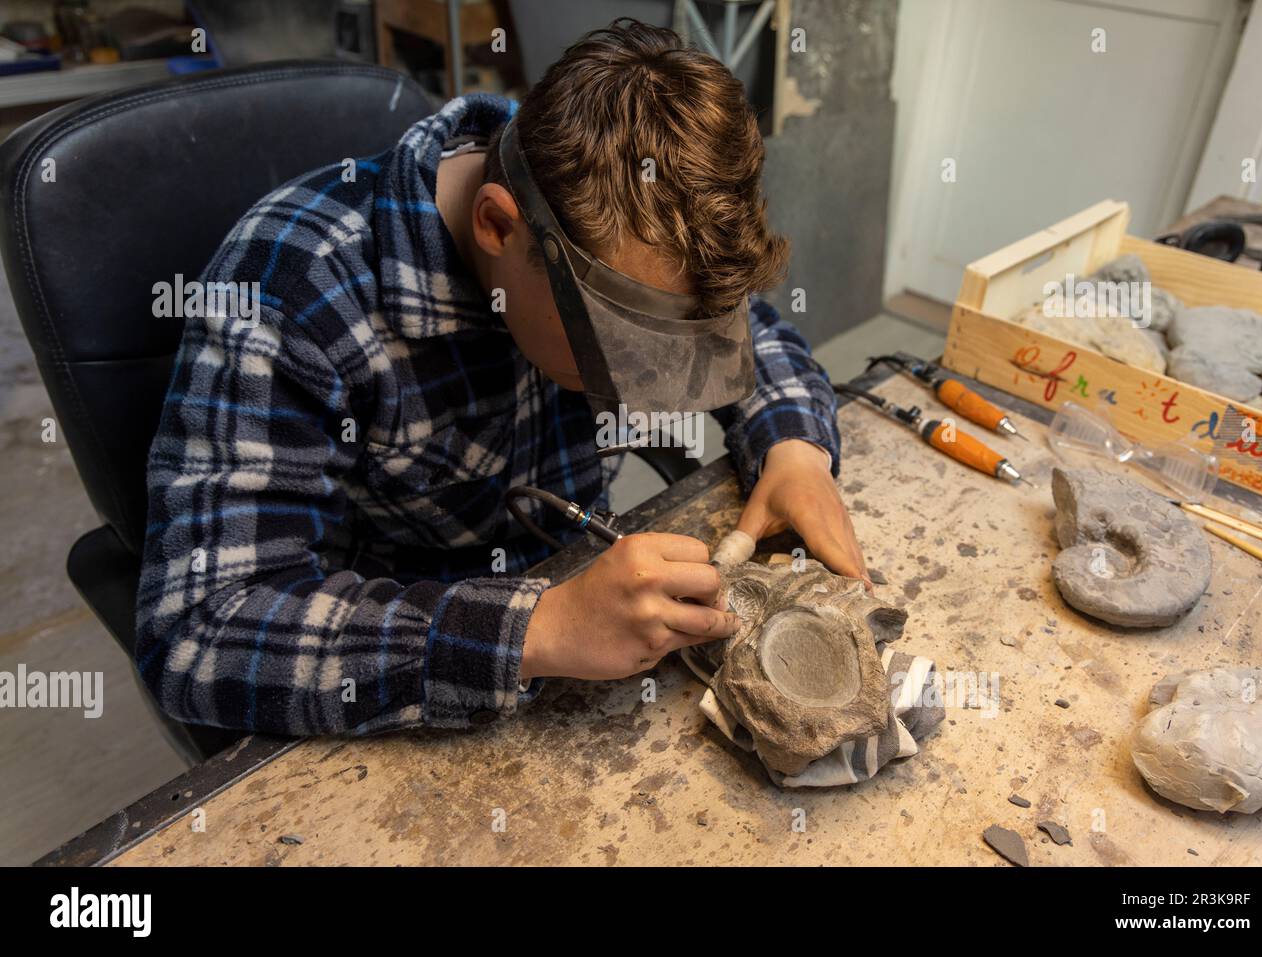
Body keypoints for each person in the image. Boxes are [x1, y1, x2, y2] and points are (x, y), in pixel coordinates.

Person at [135, 19, 868, 735]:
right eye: (620, 343)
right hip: (408, 660)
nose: (651, 377)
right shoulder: (288, 291)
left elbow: (747, 334)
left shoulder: (612, 193)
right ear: (497, 226)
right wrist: (538, 629)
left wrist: (796, 448)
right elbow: (197, 629)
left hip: (580, 587)